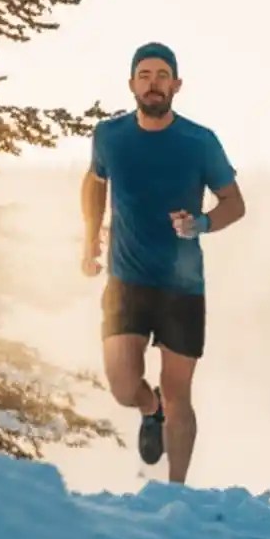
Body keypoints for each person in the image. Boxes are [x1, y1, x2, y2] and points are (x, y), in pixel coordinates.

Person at [79, 41, 246, 484]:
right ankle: (146, 408)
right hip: (126, 281)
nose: (154, 84)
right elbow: (94, 182)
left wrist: (202, 223)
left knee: (179, 394)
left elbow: (234, 203)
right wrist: (88, 240)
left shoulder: (199, 141)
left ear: (177, 85)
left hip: (182, 287)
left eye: (162, 76)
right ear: (132, 84)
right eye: (145, 75)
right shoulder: (109, 136)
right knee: (120, 385)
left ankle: (177, 491)